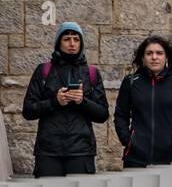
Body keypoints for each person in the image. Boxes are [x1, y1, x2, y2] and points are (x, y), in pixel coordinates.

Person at [21, 23, 110, 178]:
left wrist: (82, 101)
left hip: (81, 151)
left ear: (81, 43)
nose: (72, 43)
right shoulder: (43, 70)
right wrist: (54, 101)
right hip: (49, 152)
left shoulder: (91, 73)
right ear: (58, 42)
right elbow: (28, 110)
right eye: (67, 39)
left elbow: (102, 114)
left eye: (76, 39)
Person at [114, 36, 172, 169]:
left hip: (170, 158)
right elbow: (120, 115)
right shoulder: (131, 82)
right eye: (149, 53)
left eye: (159, 53)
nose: (154, 57)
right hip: (136, 159)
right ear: (143, 58)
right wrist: (128, 140)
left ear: (166, 57)